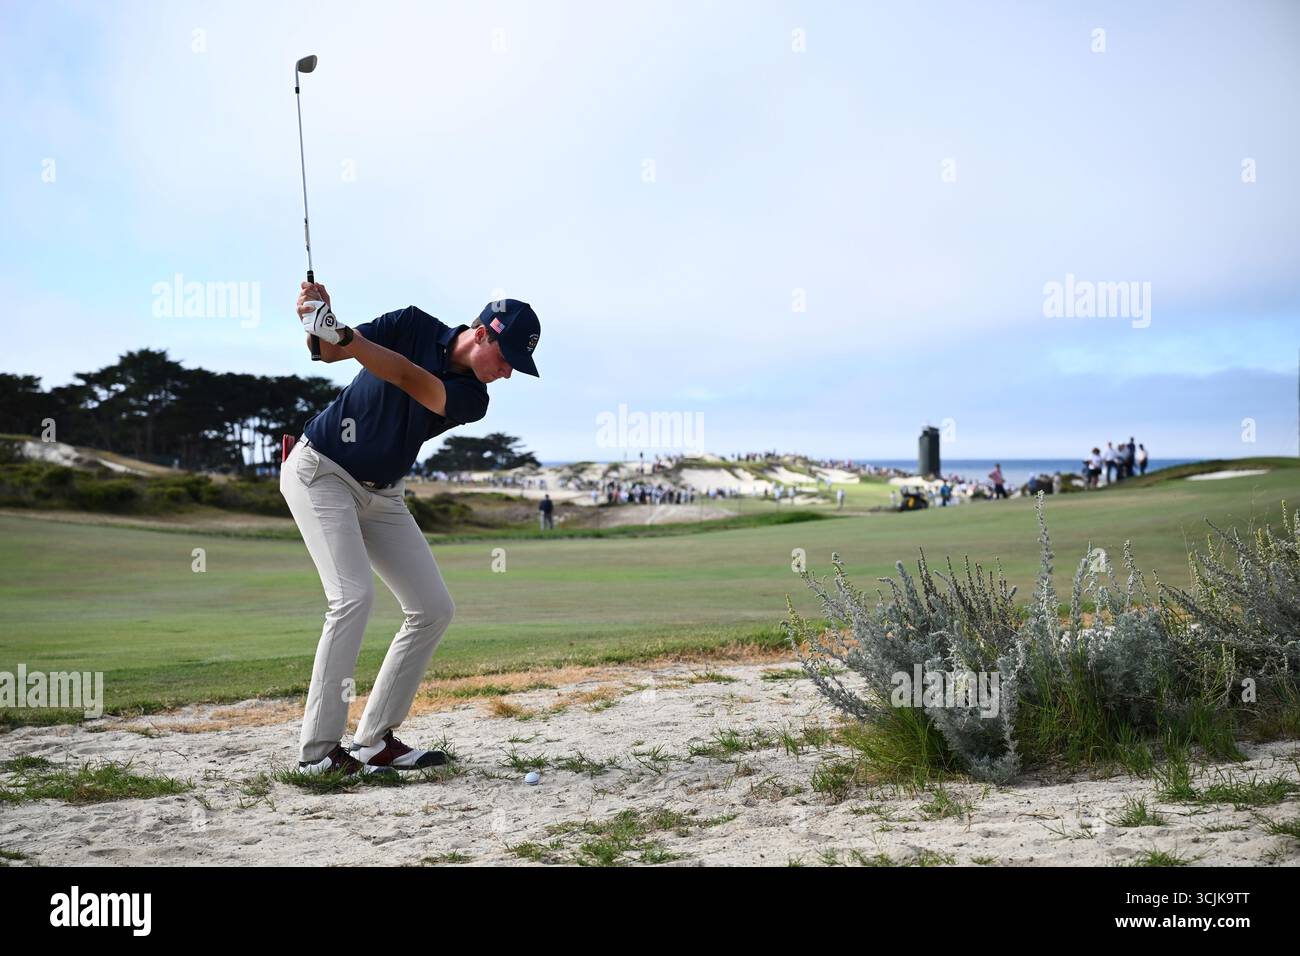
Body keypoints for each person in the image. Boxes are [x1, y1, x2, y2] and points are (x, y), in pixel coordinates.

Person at [288, 283, 541, 775]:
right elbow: (324, 351)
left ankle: (373, 740)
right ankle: (317, 753)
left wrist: (343, 332)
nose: (508, 372)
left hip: (383, 494)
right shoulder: (410, 322)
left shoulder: (473, 397)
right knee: (352, 597)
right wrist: (314, 316)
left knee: (432, 609)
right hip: (320, 472)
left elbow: (406, 376)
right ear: (483, 335)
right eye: (508, 358)